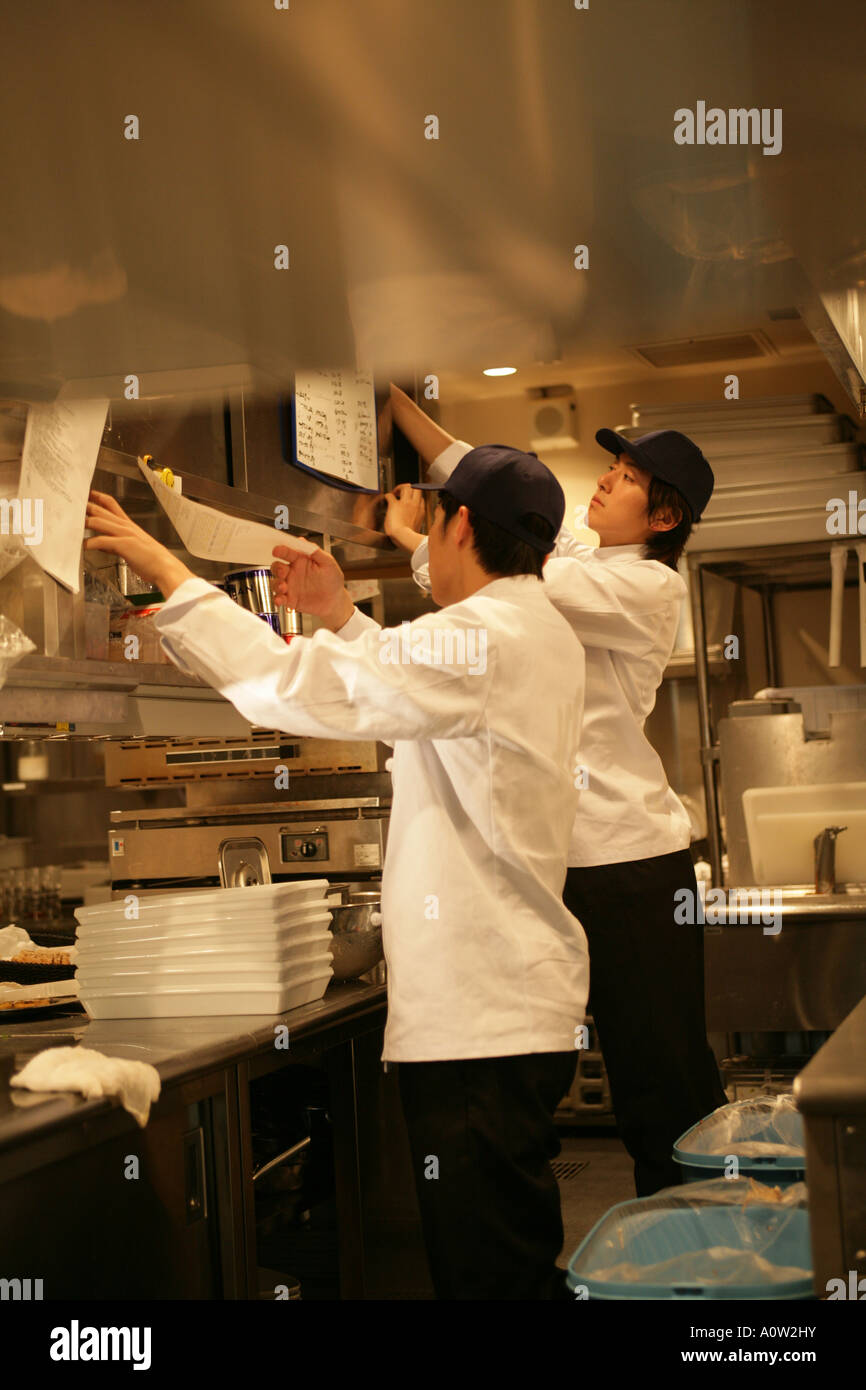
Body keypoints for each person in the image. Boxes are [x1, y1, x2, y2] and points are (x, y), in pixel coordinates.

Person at [83, 445, 589, 1300]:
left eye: (431, 517)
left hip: (482, 1018)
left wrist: (164, 565)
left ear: (459, 524)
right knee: (503, 1267)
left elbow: (291, 685)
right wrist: (341, 617)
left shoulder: (477, 637)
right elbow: (409, 692)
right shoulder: (525, 629)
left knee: (493, 1281)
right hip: (506, 1011)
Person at [386, 385, 728, 1196]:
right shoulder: (579, 551)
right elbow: (469, 470)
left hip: (631, 862)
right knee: (570, 1077)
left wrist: (416, 541)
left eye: (630, 477)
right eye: (611, 464)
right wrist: (388, 394)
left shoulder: (647, 587)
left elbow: (513, 572)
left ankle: (704, 1259)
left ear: (664, 520)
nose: (608, 480)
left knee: (664, 1085)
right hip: (564, 859)